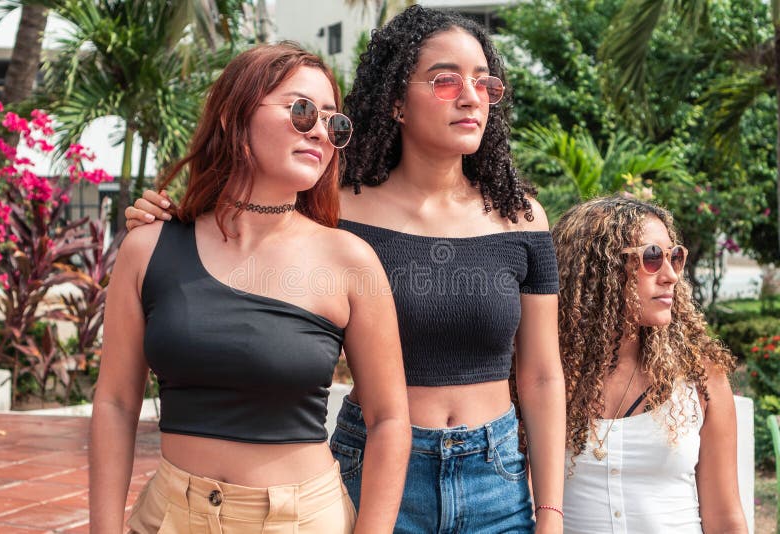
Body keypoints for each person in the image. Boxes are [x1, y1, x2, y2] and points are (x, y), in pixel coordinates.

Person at [126, 6, 566, 533]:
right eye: (446, 80)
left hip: (495, 474)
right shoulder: (335, 207)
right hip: (373, 465)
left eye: (483, 82)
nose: (471, 96)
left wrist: (551, 512)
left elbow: (540, 375)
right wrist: (170, 219)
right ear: (397, 102)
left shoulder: (522, 218)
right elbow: (246, 226)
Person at [90, 43, 410, 534]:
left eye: (333, 122)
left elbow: (388, 419)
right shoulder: (148, 247)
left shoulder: (349, 261)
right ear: (235, 114)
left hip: (301, 521)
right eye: (302, 111)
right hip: (169, 516)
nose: (321, 132)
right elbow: (114, 403)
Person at [552, 196, 748, 534]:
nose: (671, 275)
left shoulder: (699, 377)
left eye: (675, 257)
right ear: (601, 271)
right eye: (652, 258)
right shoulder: (548, 376)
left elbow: (726, 520)